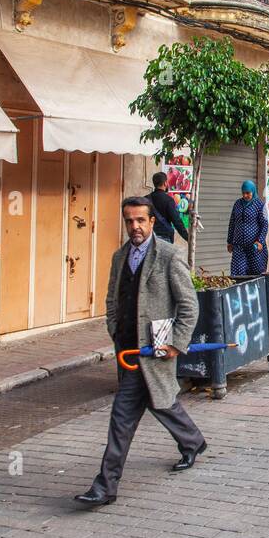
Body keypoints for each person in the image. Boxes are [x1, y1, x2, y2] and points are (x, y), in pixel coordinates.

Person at [74, 198, 206, 507]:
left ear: (151, 222)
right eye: (129, 221)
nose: (134, 227)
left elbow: (189, 305)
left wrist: (176, 342)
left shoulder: (169, 256)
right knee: (160, 402)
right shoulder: (120, 257)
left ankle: (105, 486)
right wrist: (113, 329)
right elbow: (112, 299)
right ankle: (193, 441)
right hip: (127, 349)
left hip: (153, 350)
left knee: (122, 416)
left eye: (140, 221)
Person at [227, 180, 269, 277]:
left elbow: (264, 225)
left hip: (254, 247)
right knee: (237, 273)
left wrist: (260, 241)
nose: (245, 195)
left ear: (253, 191)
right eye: (243, 193)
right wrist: (229, 241)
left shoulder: (260, 205)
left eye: (248, 193)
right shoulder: (237, 204)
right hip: (239, 246)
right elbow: (232, 223)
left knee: (255, 274)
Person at [149, 171, 189, 245]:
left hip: (149, 238)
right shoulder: (168, 200)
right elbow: (177, 221)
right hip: (164, 239)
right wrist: (188, 238)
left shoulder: (146, 199)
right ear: (165, 183)